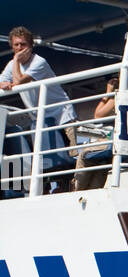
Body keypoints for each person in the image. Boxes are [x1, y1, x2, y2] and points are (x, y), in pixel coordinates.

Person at [0, 26, 77, 190]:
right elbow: (3, 81)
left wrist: (15, 60)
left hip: (62, 116)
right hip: (40, 119)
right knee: (43, 158)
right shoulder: (11, 65)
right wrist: (3, 83)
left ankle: (70, 190)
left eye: (23, 45)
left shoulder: (39, 62)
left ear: (31, 46)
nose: (20, 49)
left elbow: (19, 81)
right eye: (16, 45)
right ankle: (45, 190)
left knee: (70, 156)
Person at [74, 69, 128, 191]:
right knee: (101, 162)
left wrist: (108, 92)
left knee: (85, 154)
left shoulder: (122, 94)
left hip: (116, 141)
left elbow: (98, 115)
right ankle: (91, 192)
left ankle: (76, 191)